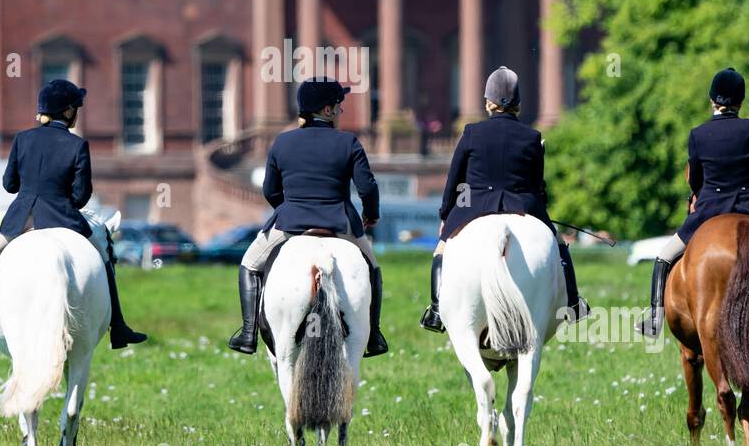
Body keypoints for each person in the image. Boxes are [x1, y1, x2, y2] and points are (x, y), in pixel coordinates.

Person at [0, 79, 147, 352]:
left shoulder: (22, 139)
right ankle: (119, 326)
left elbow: (10, 185)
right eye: (76, 108)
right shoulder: (78, 145)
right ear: (68, 113)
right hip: (62, 217)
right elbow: (80, 196)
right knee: (103, 255)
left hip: (22, 218)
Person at [636, 67, 749, 355]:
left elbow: (695, 178)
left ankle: (654, 318)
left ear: (711, 99)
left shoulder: (698, 134)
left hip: (710, 207)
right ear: (740, 99)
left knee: (664, 257)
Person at [227, 76, 389, 357]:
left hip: (291, 223)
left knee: (249, 265)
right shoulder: (348, 142)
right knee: (372, 268)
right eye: (339, 105)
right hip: (340, 224)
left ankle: (248, 333)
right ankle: (373, 336)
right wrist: (370, 215)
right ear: (326, 110)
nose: (341, 110)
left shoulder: (282, 142)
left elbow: (270, 190)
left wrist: (288, 208)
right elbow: (367, 187)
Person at [420, 66, 588, 333]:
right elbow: (537, 186)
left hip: (473, 207)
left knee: (441, 250)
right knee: (559, 246)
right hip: (523, 205)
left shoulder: (471, 132)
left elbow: (454, 182)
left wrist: (446, 215)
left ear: (488, 102)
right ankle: (574, 303)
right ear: (518, 104)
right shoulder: (532, 137)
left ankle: (437, 310)